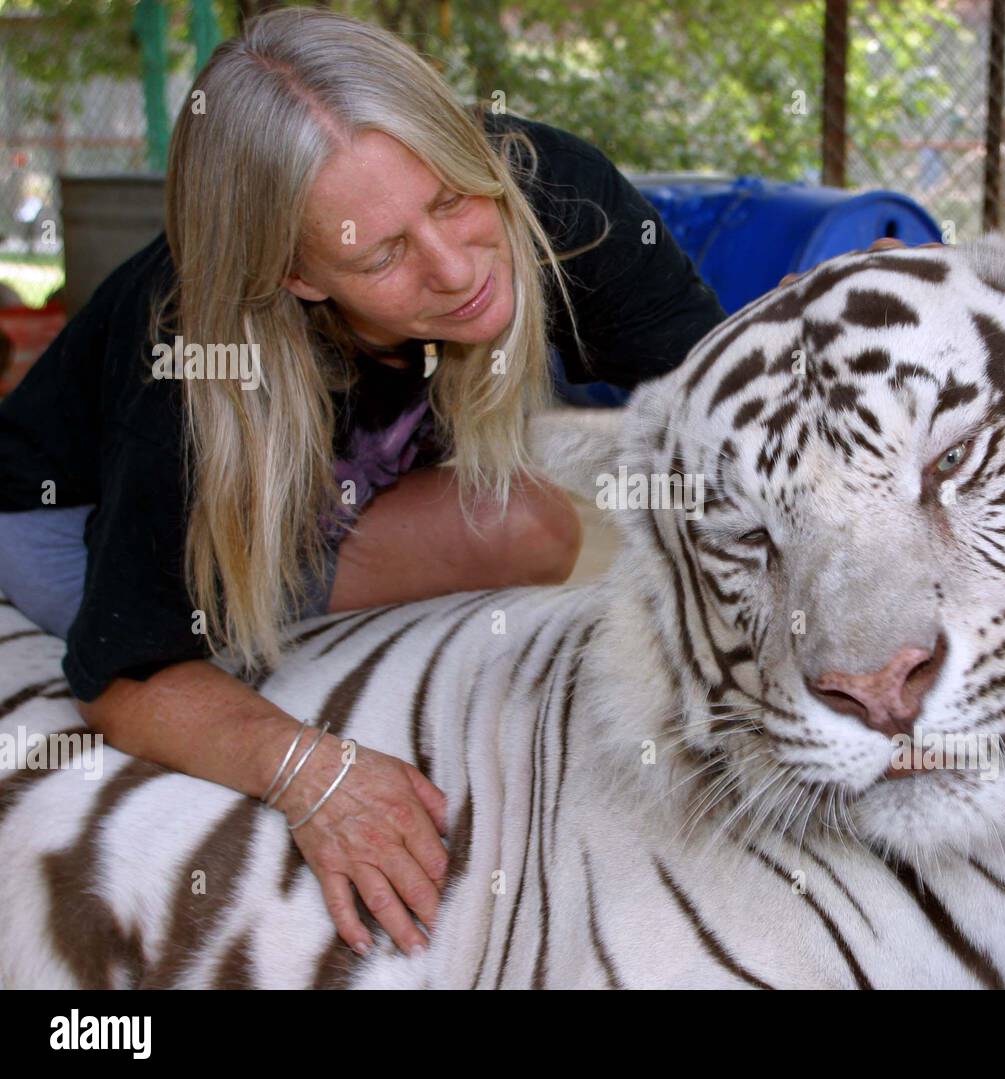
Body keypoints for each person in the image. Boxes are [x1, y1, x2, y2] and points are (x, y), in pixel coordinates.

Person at [0, 8, 726, 960]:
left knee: (530, 529)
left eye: (455, 195)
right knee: (200, 652)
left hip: (330, 498)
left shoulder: (559, 193)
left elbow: (720, 403)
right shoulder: (191, 360)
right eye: (381, 253)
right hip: (67, 518)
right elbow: (120, 672)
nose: (456, 266)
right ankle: (268, 624)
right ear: (295, 274)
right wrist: (313, 772)